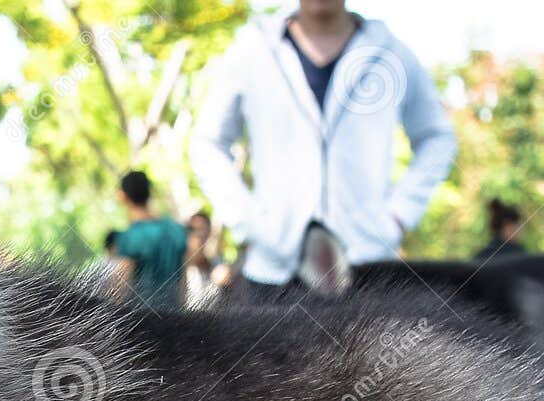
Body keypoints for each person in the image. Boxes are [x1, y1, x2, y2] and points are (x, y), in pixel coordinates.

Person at [190, 0, 456, 300]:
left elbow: (437, 136)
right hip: (273, 276)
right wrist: (250, 223)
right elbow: (207, 142)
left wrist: (398, 215)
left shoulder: (393, 52)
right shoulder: (252, 50)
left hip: (369, 272)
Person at [111, 170, 188, 311]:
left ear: (122, 196)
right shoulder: (176, 230)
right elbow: (183, 281)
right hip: (174, 319)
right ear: (149, 193)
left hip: (142, 323)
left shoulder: (130, 237)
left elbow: (121, 286)